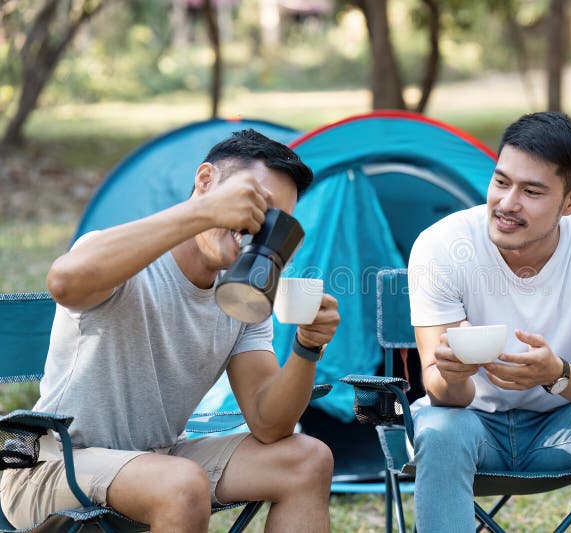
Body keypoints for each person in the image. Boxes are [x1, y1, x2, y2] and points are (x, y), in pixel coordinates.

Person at [0, 129, 339, 532]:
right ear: (205, 181)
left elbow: (270, 425)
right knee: (180, 483)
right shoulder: (130, 255)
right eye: (253, 205)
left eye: (275, 223)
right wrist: (206, 213)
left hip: (158, 462)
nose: (257, 227)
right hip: (55, 465)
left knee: (306, 460)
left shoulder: (242, 294)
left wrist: (306, 347)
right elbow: (65, 282)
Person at [407, 112, 571, 532]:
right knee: (439, 431)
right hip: (469, 425)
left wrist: (558, 375)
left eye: (531, 191)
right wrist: (454, 375)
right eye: (500, 182)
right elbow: (441, 391)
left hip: (561, 429)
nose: (507, 204)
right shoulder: (441, 246)